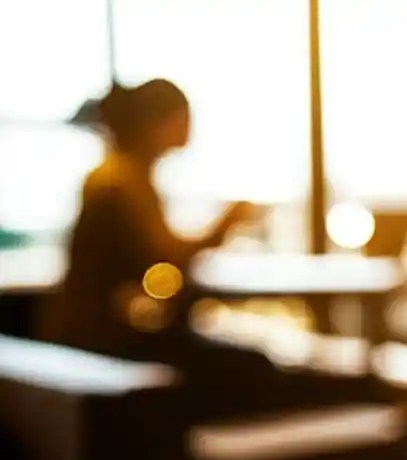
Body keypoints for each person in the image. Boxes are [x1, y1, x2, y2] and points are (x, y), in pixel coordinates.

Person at [42, 79, 258, 359]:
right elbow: (167, 258)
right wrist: (227, 222)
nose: (189, 127)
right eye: (183, 117)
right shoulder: (122, 182)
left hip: (97, 332)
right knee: (252, 364)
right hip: (110, 338)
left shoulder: (115, 174)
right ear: (157, 123)